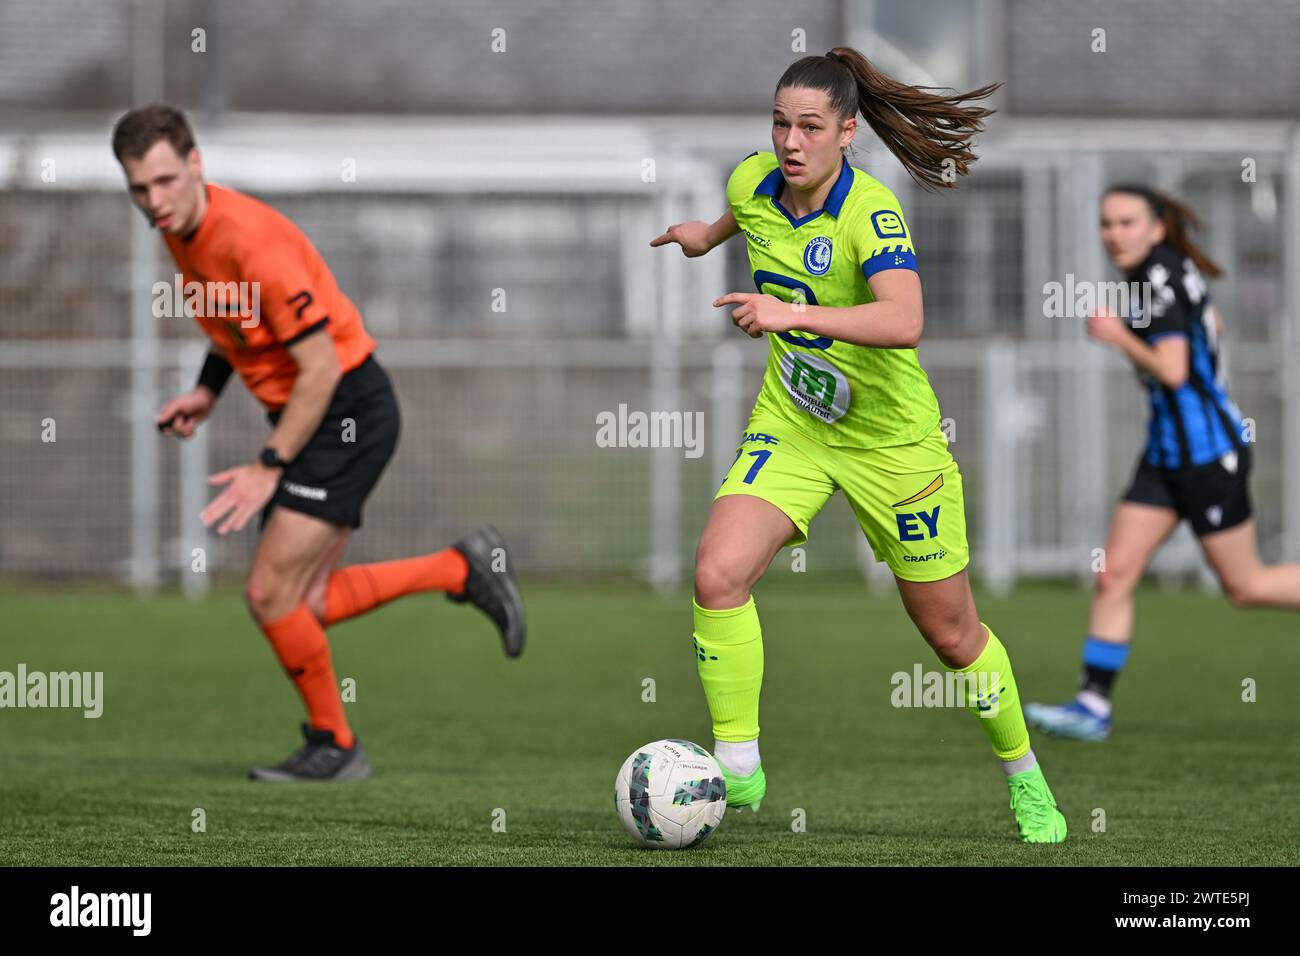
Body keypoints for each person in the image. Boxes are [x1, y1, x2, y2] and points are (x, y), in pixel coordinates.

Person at [652, 49, 1066, 842]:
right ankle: (739, 764)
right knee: (717, 572)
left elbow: (904, 319)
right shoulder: (751, 180)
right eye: (780, 123)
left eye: (810, 126)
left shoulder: (870, 214)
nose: (790, 142)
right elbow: (746, 209)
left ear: (847, 133)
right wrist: (704, 237)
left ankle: (1026, 778)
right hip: (796, 425)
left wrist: (791, 317)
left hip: (894, 447)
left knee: (951, 637)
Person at [112, 104, 525, 781]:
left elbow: (322, 367)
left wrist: (269, 465)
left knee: (270, 595)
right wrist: (207, 392)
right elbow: (237, 326)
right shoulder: (183, 231)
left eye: (163, 181)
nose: (153, 202)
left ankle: (335, 744)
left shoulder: (249, 240)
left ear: (194, 165)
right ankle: (460, 569)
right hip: (318, 414)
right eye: (138, 188)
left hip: (344, 409)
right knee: (305, 603)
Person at [1025, 184, 1300, 741]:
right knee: (1114, 574)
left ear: (1155, 228)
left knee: (1245, 586)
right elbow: (1211, 326)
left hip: (1207, 456)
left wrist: (1119, 336)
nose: (1114, 234)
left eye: (1127, 223)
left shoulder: (1159, 278)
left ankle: (1092, 703)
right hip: (1165, 456)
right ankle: (1092, 705)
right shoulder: (1163, 273)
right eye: (1106, 224)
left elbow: (1173, 370)